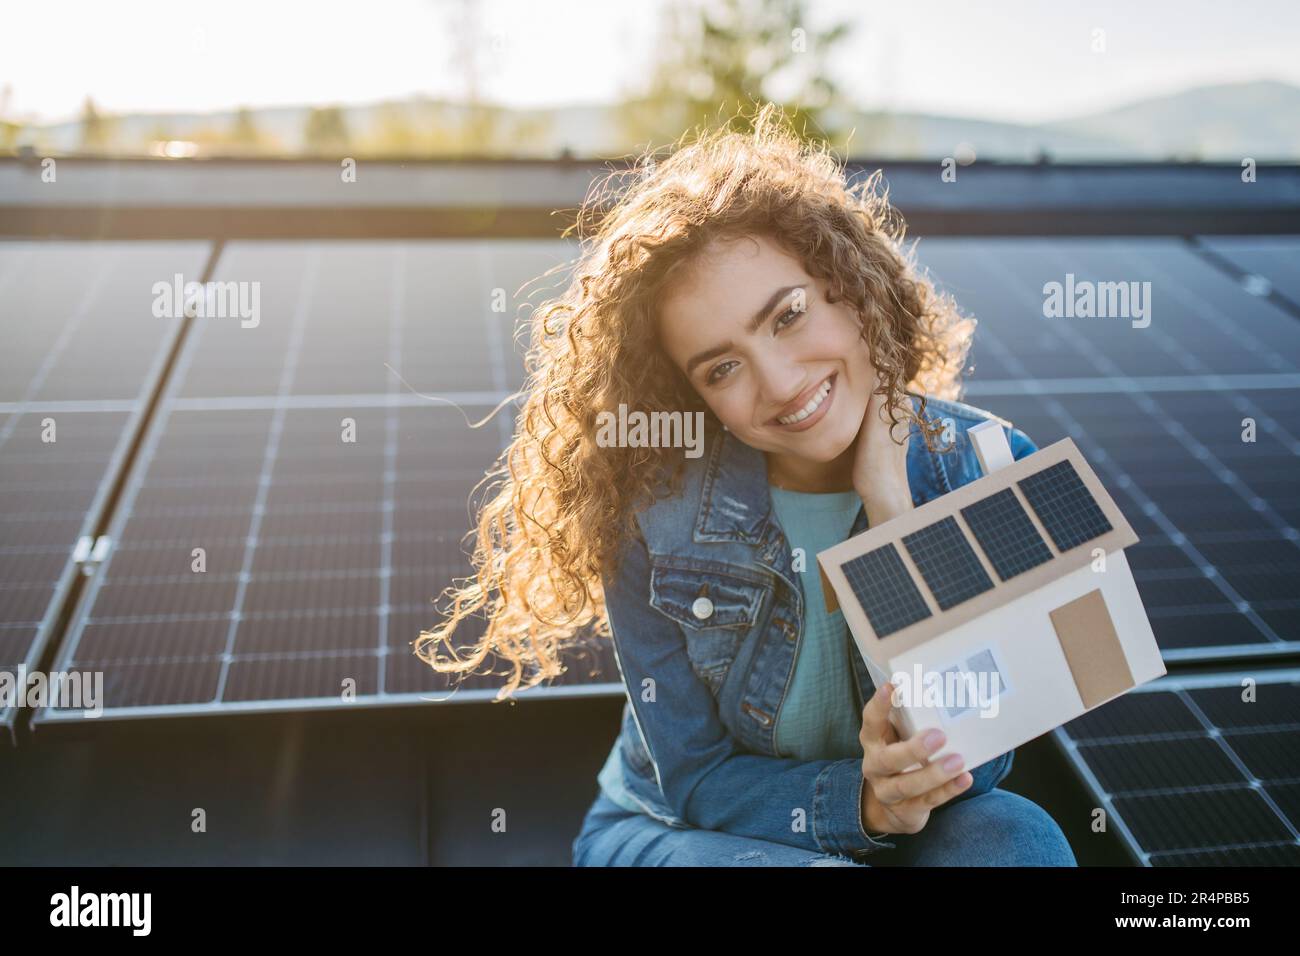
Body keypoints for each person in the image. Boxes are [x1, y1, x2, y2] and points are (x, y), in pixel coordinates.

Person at [416, 104, 1077, 867]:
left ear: (847, 286)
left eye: (788, 316)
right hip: (683, 833)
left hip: (908, 826)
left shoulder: (990, 465)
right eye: (722, 367)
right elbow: (696, 778)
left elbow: (980, 762)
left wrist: (893, 509)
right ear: (690, 394)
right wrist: (859, 801)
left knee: (1017, 840)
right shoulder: (651, 519)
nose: (781, 383)